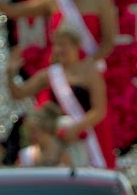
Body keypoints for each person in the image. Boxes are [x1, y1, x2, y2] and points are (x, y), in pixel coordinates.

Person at [8, 24, 112, 169]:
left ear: (75, 46)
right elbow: (19, 93)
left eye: (64, 45)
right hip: (59, 140)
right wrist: (10, 74)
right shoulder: (50, 74)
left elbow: (99, 110)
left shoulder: (90, 73)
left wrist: (75, 129)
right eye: (56, 45)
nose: (59, 50)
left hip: (86, 136)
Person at [17, 102, 69, 168]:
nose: (30, 135)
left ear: (46, 130)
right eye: (28, 132)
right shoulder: (26, 155)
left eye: (33, 131)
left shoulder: (64, 153)